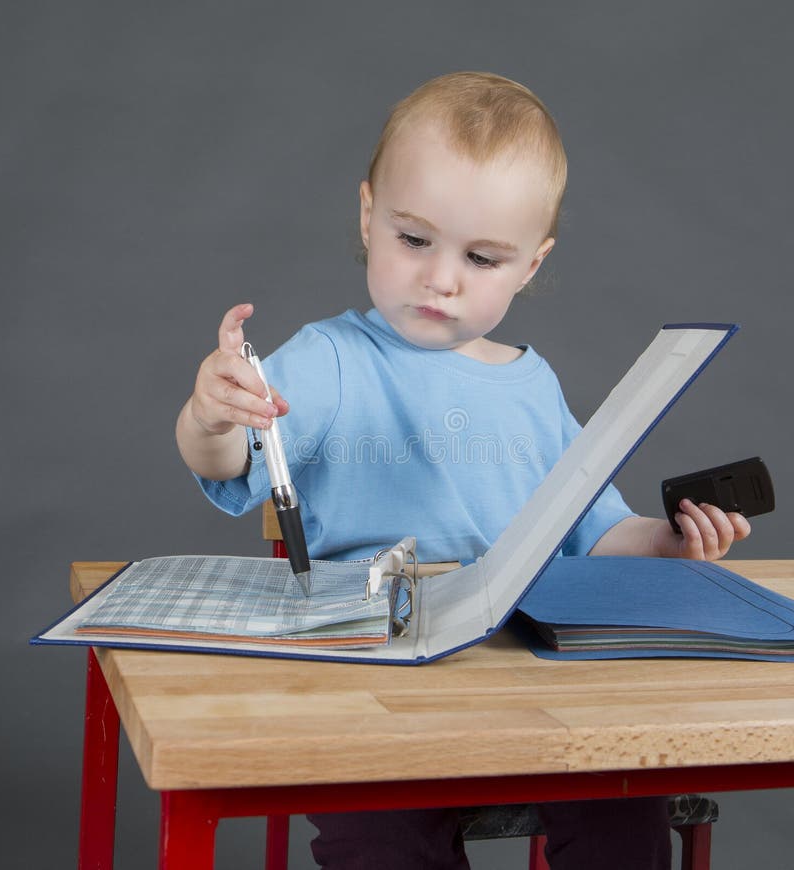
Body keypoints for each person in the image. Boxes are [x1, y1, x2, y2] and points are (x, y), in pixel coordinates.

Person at [176, 71, 750, 870]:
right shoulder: (329, 359)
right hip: (384, 676)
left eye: (482, 257)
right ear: (370, 215)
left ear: (530, 265)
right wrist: (210, 415)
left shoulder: (534, 383)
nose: (441, 279)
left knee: (624, 800)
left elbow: (596, 528)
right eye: (415, 240)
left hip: (532, 671)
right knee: (377, 835)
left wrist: (666, 541)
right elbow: (232, 460)